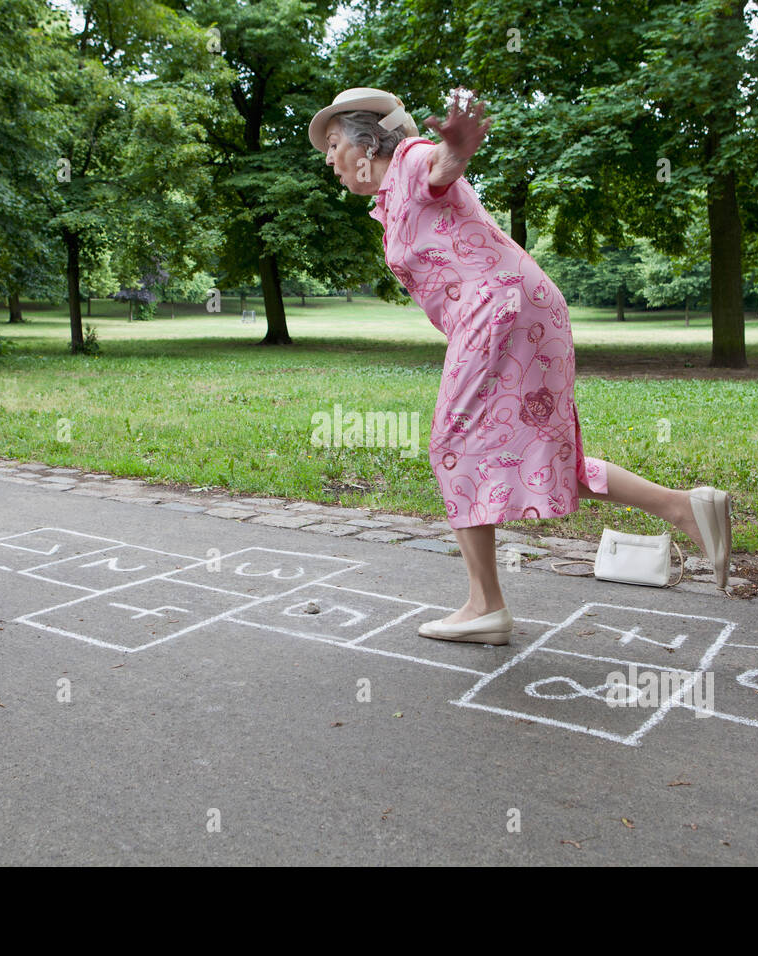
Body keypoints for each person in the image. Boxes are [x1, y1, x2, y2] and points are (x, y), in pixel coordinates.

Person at [308, 87, 733, 644]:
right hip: (518, 310)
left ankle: (486, 605)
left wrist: (455, 147)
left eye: (335, 144)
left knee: (451, 445)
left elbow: (441, 164)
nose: (329, 159)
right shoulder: (391, 197)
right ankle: (683, 508)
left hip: (500, 312)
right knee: (539, 451)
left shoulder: (409, 161)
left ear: (369, 143)